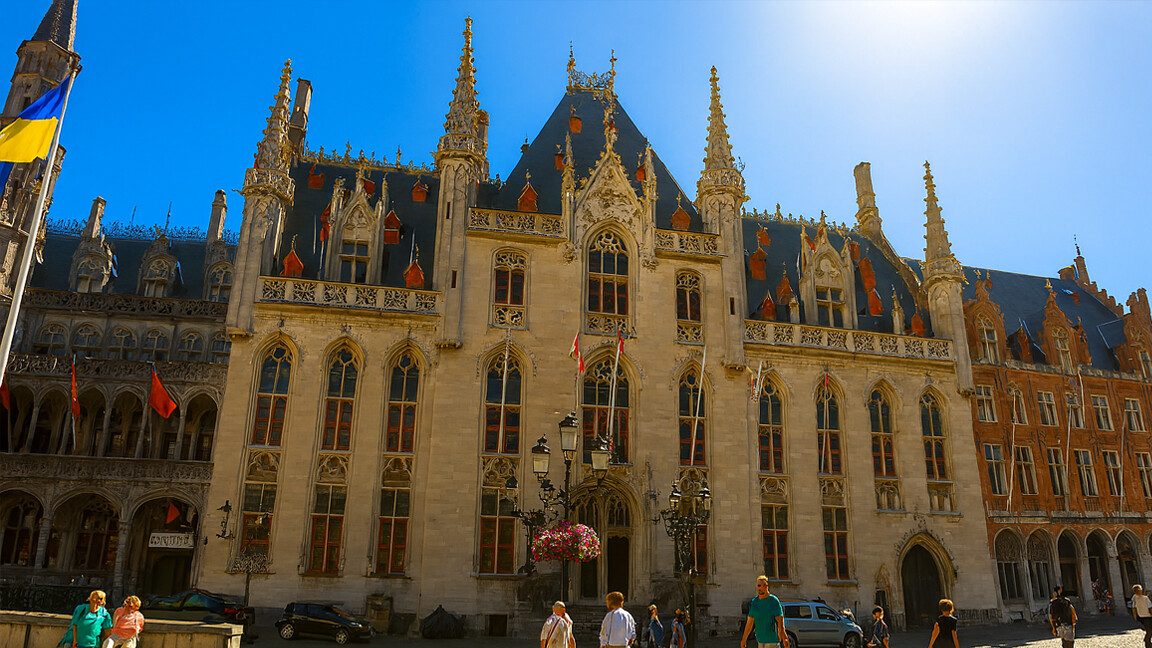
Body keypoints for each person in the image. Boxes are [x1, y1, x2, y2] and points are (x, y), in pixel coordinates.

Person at [740, 575, 788, 648]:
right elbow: (750, 622)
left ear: (766, 586)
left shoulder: (774, 601)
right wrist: (744, 639)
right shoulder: (754, 603)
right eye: (757, 586)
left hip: (772, 641)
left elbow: (780, 622)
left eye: (760, 585)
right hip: (760, 640)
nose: (758, 588)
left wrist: (785, 638)